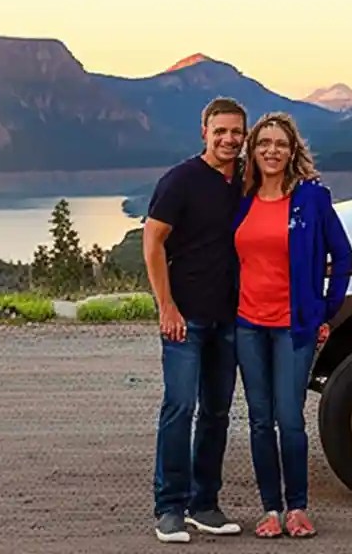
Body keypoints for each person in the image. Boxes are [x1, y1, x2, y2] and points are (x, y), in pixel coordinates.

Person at [232, 111, 352, 539]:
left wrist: (325, 311)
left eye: (280, 143)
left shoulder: (311, 199)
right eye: (263, 143)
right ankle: (270, 509)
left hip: (293, 327)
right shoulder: (240, 198)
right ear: (253, 150)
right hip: (247, 325)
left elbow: (343, 257)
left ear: (292, 150)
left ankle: (298, 507)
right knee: (260, 420)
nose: (271, 150)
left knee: (290, 418)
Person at [142, 97, 248, 544]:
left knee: (217, 413)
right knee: (180, 407)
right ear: (203, 132)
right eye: (219, 131)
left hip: (232, 318)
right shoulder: (181, 180)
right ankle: (169, 507)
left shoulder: (246, 180)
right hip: (186, 318)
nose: (228, 139)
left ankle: (205, 504)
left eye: (236, 132)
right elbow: (152, 242)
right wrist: (166, 306)